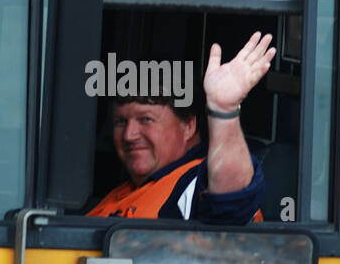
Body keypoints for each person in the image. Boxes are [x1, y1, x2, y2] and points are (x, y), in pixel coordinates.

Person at [88, 32, 274, 223]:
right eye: (121, 121)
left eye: (146, 119)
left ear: (188, 125)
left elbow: (232, 202)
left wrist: (223, 110)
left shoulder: (193, 183)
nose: (129, 135)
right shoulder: (123, 191)